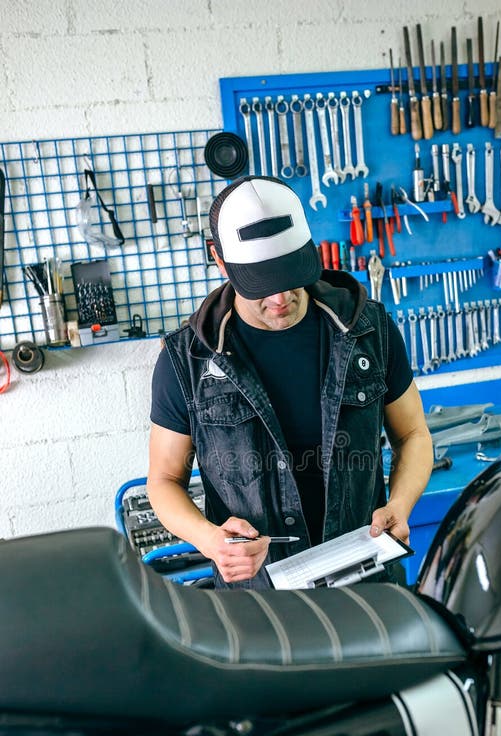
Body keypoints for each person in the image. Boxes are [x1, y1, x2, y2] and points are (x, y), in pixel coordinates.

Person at [148, 175, 433, 589]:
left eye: (290, 274)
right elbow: (163, 481)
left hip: (368, 579)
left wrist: (401, 504)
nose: (281, 298)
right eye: (261, 284)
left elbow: (414, 435)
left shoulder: (370, 330)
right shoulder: (185, 362)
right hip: (260, 598)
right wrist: (212, 541)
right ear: (220, 260)